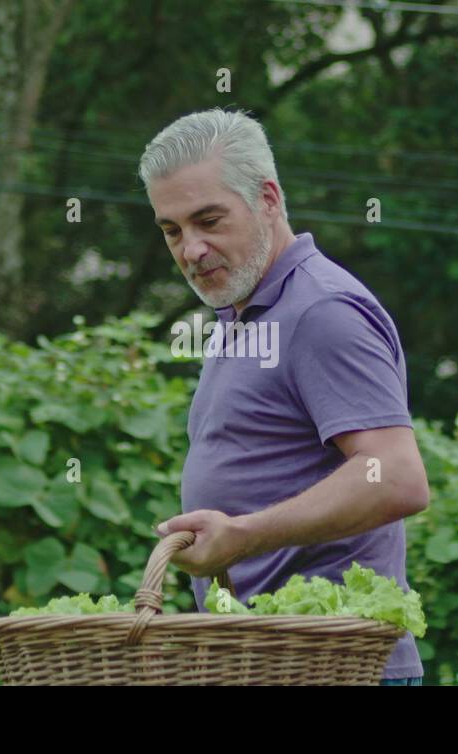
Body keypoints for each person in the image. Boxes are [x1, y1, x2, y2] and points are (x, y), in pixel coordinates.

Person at [139, 108, 429, 685]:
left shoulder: (321, 311)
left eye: (208, 220)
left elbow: (394, 475)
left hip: (332, 669)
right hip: (263, 662)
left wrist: (242, 536)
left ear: (269, 199)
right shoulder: (242, 312)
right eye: (172, 230)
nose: (190, 249)